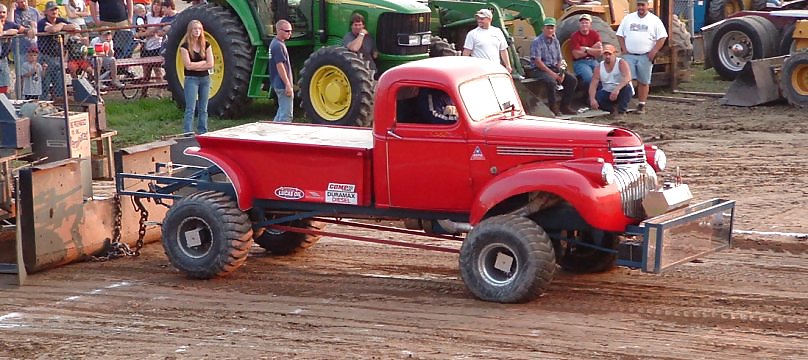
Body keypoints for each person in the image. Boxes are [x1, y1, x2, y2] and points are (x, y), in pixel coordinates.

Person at [616, 0, 667, 114]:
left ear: (647, 6)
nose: (640, 7)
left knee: (643, 81)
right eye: (638, 5)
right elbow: (620, 35)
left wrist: (654, 51)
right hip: (629, 55)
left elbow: (662, 37)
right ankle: (625, 103)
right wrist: (624, 49)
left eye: (643, 5)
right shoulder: (628, 18)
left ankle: (641, 104)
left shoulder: (654, 20)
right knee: (627, 80)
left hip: (645, 56)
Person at [527, 17, 577, 116]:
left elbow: (559, 59)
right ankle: (553, 107)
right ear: (543, 29)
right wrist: (553, 75)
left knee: (572, 80)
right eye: (548, 28)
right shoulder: (537, 42)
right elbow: (537, 61)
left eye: (552, 28)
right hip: (538, 69)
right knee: (551, 81)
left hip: (553, 67)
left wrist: (561, 72)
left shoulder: (556, 42)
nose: (550, 30)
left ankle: (565, 106)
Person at [38, 1, 80, 100]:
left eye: (56, 9)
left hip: (58, 57)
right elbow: (51, 30)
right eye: (52, 10)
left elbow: (74, 27)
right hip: (45, 57)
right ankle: (43, 105)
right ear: (46, 12)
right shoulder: (42, 22)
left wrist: (60, 25)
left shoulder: (60, 20)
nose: (54, 11)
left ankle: (60, 105)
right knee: (45, 84)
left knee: (59, 85)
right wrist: (62, 26)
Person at [179, 19, 213, 134]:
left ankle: (203, 131)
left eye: (199, 29)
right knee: (190, 108)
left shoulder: (206, 45)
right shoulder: (184, 47)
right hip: (191, 79)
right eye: (195, 29)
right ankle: (188, 132)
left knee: (204, 108)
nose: (197, 31)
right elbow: (188, 66)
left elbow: (210, 64)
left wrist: (197, 65)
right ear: (190, 30)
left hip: (205, 79)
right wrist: (202, 63)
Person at [588, 44, 633, 116]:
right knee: (596, 99)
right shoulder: (599, 67)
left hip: (621, 89)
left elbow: (628, 77)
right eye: (605, 54)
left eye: (610, 54)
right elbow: (593, 84)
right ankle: (613, 110)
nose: (607, 57)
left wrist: (617, 89)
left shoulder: (621, 63)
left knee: (627, 88)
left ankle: (621, 111)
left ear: (614, 54)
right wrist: (592, 99)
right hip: (607, 90)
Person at [462, 8, 511, 73]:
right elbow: (466, 52)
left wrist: (508, 65)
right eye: (478, 18)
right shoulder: (472, 34)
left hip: (495, 69)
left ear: (489, 19)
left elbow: (503, 50)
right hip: (479, 70)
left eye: (482, 19)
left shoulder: (498, 31)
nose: (479, 20)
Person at [569, 14, 602, 91]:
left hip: (593, 60)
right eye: (582, 22)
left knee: (603, 76)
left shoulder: (594, 34)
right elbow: (576, 55)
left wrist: (586, 49)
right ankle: (587, 97)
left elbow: (600, 52)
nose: (584, 24)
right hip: (580, 62)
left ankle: (600, 96)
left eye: (586, 22)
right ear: (579, 24)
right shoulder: (575, 36)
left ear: (590, 24)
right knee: (589, 78)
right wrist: (593, 49)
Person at [269, 19, 293, 122]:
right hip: (282, 85)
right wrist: (287, 84)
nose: (290, 33)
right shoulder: (278, 46)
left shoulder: (275, 43)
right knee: (286, 116)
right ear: (278, 30)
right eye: (287, 31)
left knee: (281, 113)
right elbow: (280, 66)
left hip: (278, 84)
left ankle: (270, 132)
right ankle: (281, 136)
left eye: (291, 31)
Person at [0, 4, 22, 95]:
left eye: (3, 12)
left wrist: (31, 29)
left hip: (3, 59)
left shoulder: (9, 24)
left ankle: (3, 106)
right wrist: (5, 33)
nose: (1, 14)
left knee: (5, 85)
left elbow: (22, 30)